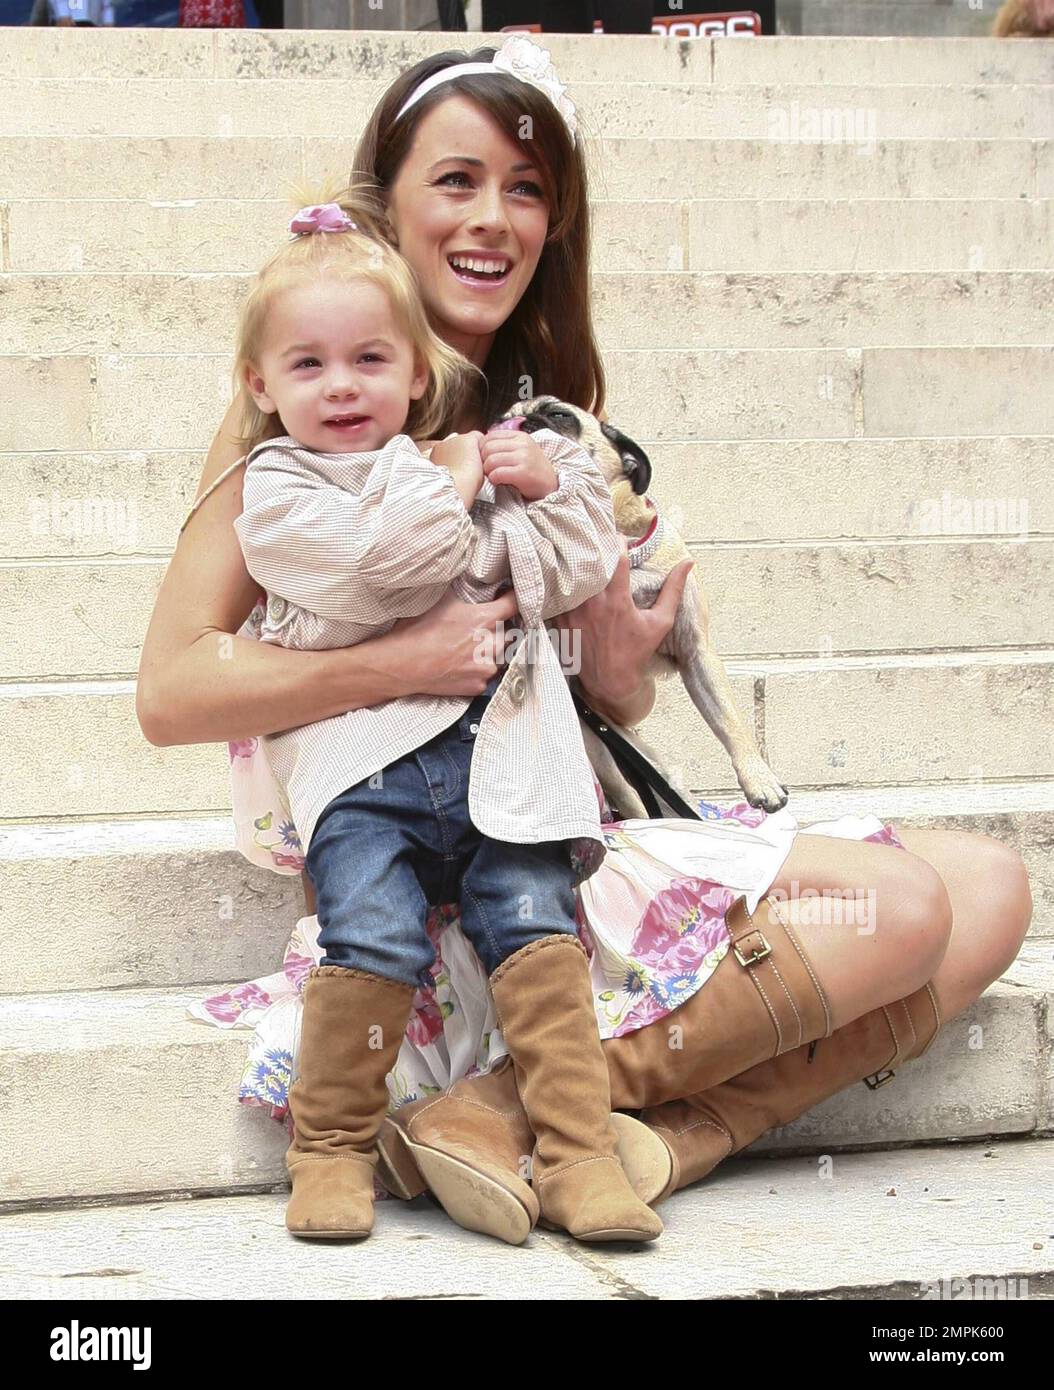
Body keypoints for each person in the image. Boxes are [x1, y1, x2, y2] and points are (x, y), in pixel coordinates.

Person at [141, 34, 1033, 1245]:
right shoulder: (321, 416)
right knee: (905, 910)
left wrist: (613, 595)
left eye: (525, 188)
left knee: (985, 892)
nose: (493, 217)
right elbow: (172, 688)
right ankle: (525, 1106)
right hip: (429, 886)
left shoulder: (545, 418)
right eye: (456, 180)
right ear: (386, 201)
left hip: (553, 827)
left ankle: (547, 1124)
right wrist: (395, 663)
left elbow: (615, 691)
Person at [219, 180, 662, 1243]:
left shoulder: (451, 467)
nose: (339, 387)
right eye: (308, 364)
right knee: (370, 930)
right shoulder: (277, 491)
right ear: (261, 382)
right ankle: (329, 1151)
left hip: (499, 762)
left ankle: (577, 1153)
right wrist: (459, 473)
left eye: (370, 361)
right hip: (365, 777)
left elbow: (566, 572)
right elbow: (385, 571)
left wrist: (552, 487)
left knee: (534, 922)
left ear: (418, 374)